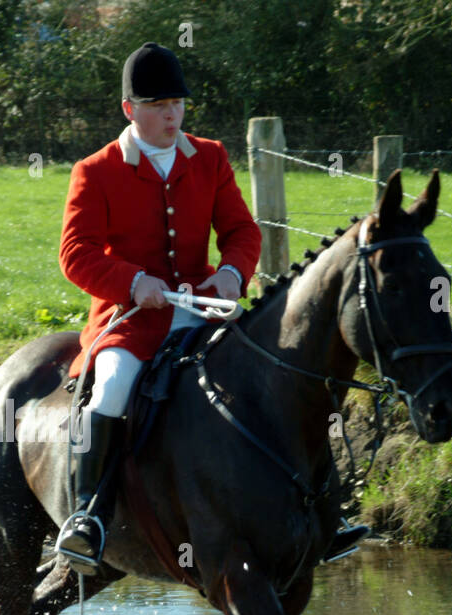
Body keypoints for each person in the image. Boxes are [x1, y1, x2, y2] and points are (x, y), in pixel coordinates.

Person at [55, 42, 367, 572]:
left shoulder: (210, 156)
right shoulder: (96, 170)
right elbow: (75, 254)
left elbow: (242, 231)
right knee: (108, 391)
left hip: (205, 310)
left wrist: (229, 273)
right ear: (130, 109)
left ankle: (325, 514)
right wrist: (132, 283)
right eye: (157, 105)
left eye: (177, 102)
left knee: (283, 376)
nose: (171, 114)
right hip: (132, 321)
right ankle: (88, 517)